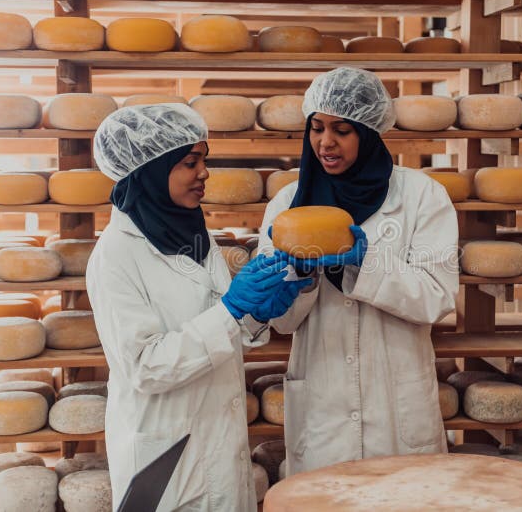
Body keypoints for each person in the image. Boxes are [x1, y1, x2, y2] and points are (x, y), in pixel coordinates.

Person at [87, 103, 311, 511]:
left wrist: (257, 313)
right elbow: (146, 366)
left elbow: (220, 322)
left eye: (203, 160)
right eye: (191, 162)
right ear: (152, 171)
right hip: (166, 455)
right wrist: (231, 309)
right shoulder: (115, 255)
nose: (205, 172)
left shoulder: (190, 231)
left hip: (218, 440)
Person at [258, 67, 460, 476]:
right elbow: (281, 321)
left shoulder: (422, 196)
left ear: (368, 132)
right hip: (322, 410)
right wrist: (302, 278)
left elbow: (436, 298)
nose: (325, 142)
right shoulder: (287, 205)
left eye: (342, 130)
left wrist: (365, 265)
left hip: (397, 410)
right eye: (316, 128)